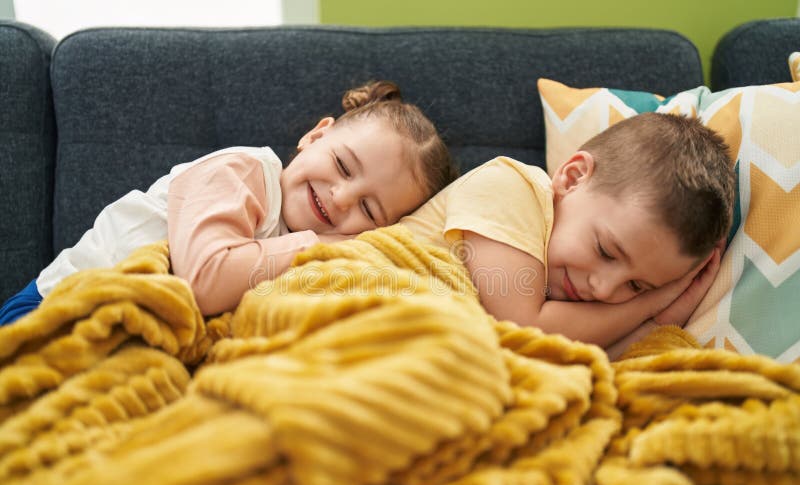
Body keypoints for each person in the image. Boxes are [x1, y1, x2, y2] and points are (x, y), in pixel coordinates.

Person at [0, 80, 458, 323]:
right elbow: (205, 277)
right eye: (342, 165)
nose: (340, 198)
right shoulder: (243, 171)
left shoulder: (316, 260)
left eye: (368, 210)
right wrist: (323, 247)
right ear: (315, 136)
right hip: (50, 311)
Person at [400, 112, 735, 350]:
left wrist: (659, 325)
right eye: (606, 251)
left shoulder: (568, 308)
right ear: (573, 178)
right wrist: (653, 300)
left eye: (636, 285)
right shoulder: (509, 186)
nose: (603, 291)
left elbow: (578, 357)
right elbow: (526, 335)